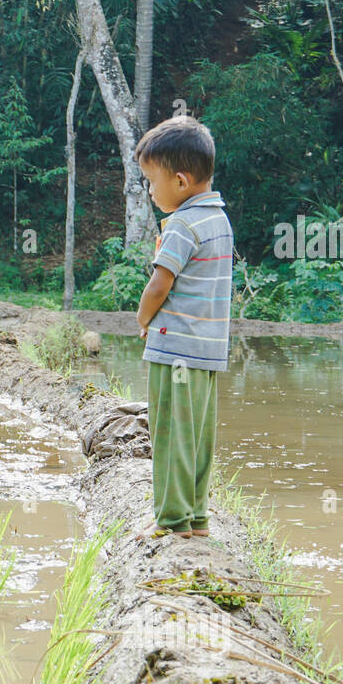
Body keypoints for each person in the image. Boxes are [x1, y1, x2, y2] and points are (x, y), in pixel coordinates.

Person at [131, 115, 234, 541]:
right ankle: (196, 517)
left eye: (151, 182)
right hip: (208, 352)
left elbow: (160, 283)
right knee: (197, 436)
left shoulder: (181, 225)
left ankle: (170, 521)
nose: (150, 192)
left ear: (179, 180)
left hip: (174, 349)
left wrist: (143, 319)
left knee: (170, 433)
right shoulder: (219, 221)